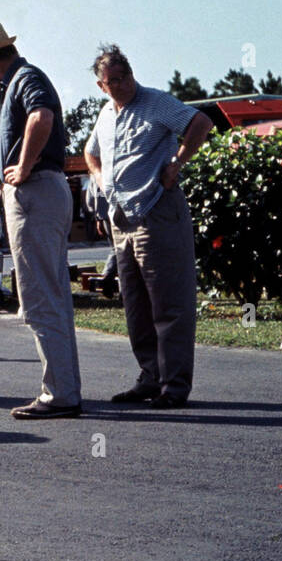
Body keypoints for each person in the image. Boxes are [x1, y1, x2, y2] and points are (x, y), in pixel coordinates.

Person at [84, 45, 213, 408]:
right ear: (100, 85)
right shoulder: (106, 114)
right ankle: (149, 377)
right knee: (135, 302)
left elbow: (200, 123)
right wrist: (98, 179)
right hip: (121, 218)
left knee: (169, 301)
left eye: (122, 78)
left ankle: (174, 386)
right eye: (110, 82)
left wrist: (177, 163)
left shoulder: (155, 102)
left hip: (157, 210)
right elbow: (90, 151)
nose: (118, 86)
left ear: (131, 73)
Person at [0, 22, 82, 418]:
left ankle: (60, 394)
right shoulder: (23, 78)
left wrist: (21, 166)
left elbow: (41, 117)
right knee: (50, 292)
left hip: (35, 191)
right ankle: (63, 389)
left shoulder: (25, 78)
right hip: (40, 188)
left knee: (39, 295)